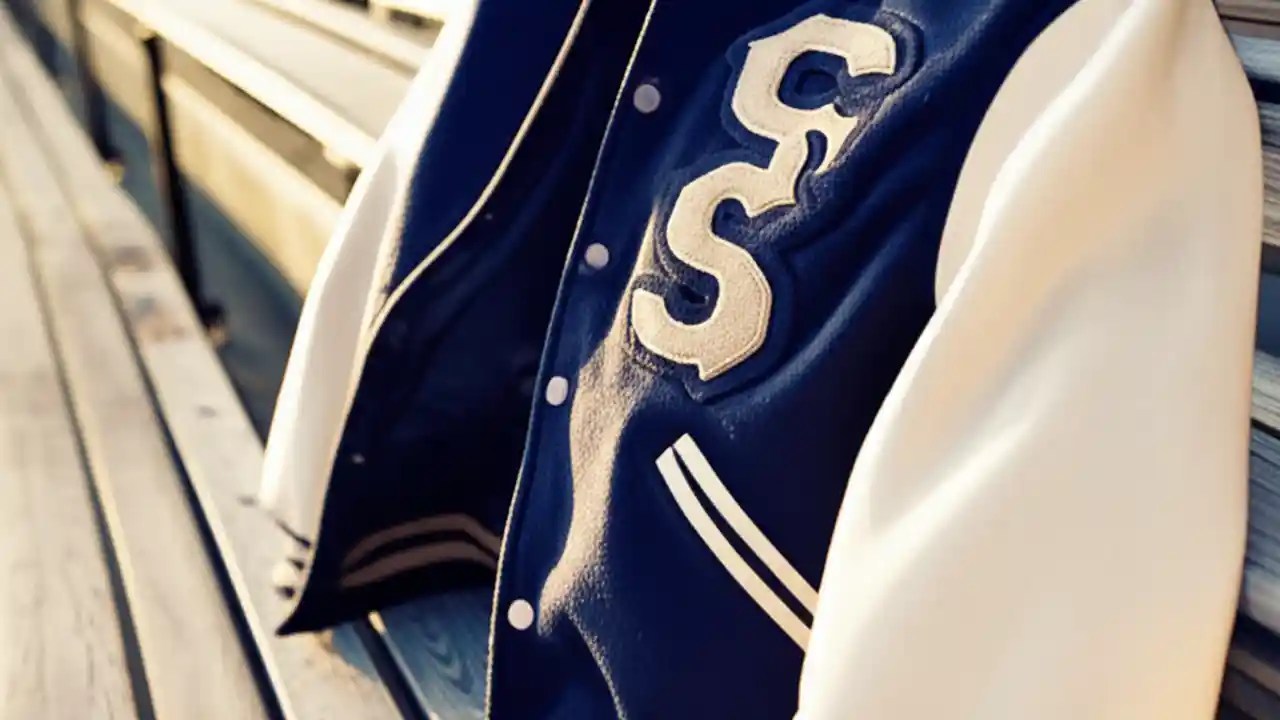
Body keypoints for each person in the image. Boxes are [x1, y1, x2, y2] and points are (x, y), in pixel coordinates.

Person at [261, 0, 1262, 717]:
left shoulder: (1081, 35)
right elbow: (436, 173)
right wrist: (313, 493)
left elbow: (1044, 594)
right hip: (458, 586)